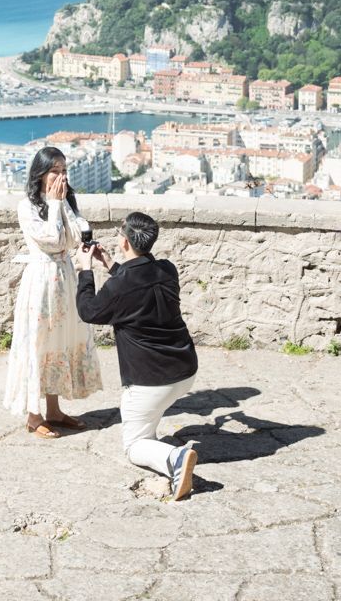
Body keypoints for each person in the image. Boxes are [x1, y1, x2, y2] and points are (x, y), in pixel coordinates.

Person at [77, 211, 202, 499]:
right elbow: (137, 283)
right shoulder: (168, 269)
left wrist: (86, 269)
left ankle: (176, 459)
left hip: (151, 379)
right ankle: (154, 440)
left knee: (134, 446)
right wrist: (111, 265)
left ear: (124, 242)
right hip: (185, 369)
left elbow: (89, 311)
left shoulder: (120, 287)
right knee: (148, 419)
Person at [3, 146, 103, 439]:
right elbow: (52, 239)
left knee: (59, 342)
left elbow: (75, 237)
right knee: (39, 342)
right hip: (42, 281)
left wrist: (64, 205)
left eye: (64, 171)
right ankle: (34, 417)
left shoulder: (65, 200)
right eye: (54, 171)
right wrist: (56, 204)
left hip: (64, 279)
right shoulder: (27, 207)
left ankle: (54, 410)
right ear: (41, 174)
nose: (61, 177)